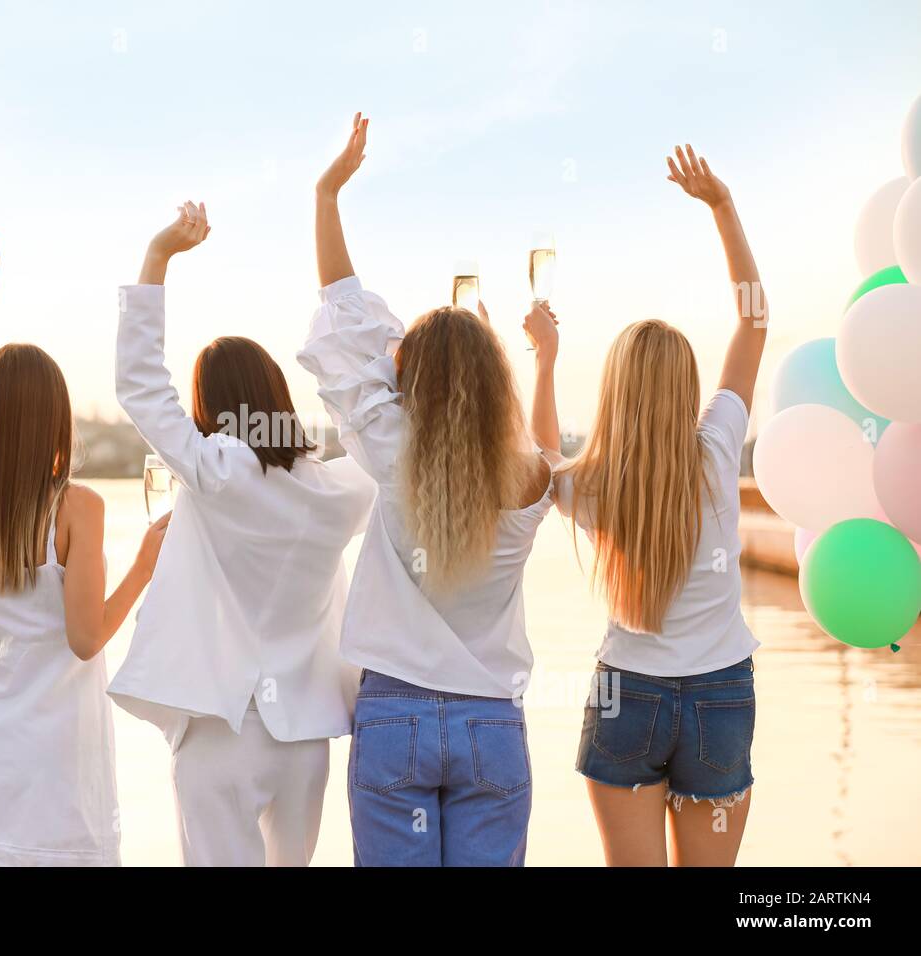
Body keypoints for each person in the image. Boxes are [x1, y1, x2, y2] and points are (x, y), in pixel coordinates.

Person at [299, 114, 562, 866]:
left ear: (407, 377)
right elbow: (523, 434)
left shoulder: (392, 450)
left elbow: (348, 330)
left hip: (395, 720)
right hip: (490, 727)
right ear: (495, 384)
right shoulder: (532, 478)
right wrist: (514, 360)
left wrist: (327, 196)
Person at [110, 201, 377, 866]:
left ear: (211, 409)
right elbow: (380, 438)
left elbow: (142, 387)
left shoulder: (218, 469)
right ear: (278, 397)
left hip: (217, 731)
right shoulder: (337, 489)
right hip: (304, 738)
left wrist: (158, 256)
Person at [0, 213, 169, 867]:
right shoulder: (78, 508)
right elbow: (86, 640)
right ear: (58, 418)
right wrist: (144, 565)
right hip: (57, 758)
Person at [551, 145, 766, 867]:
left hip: (626, 696)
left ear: (615, 392)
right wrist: (721, 205)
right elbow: (755, 322)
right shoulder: (716, 449)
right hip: (721, 695)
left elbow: (541, 460)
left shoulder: (595, 488)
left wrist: (544, 360)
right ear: (687, 391)